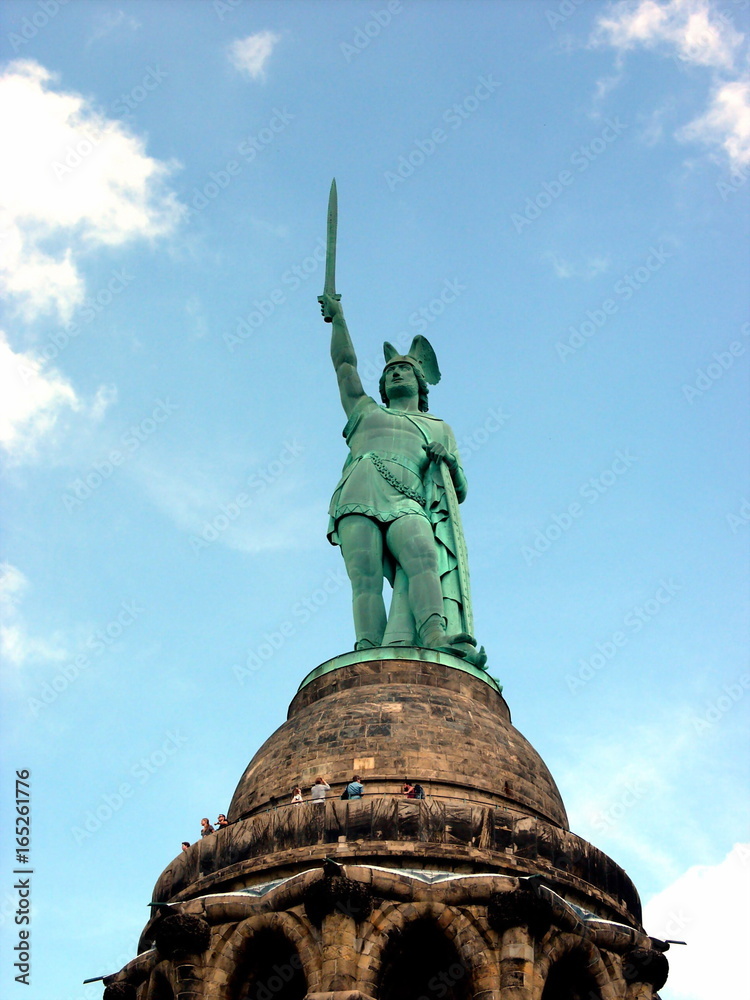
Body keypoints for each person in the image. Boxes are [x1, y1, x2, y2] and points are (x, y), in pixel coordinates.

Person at [319, 292, 485, 667]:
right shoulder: (364, 411)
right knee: (365, 579)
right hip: (358, 492)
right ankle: (367, 648)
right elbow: (344, 364)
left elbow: (458, 489)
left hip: (408, 498)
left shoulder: (438, 428)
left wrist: (450, 464)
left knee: (424, 558)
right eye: (389, 370)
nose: (395, 372)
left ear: (420, 382)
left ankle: (434, 635)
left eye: (404, 369)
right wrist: (339, 318)